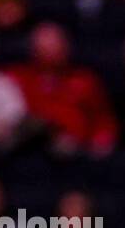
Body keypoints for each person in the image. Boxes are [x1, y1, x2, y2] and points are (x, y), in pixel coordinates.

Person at [7, 22, 118, 157]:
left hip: (79, 154)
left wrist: (101, 141)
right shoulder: (16, 78)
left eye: (55, 45)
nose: (50, 51)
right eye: (43, 46)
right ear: (32, 49)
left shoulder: (85, 80)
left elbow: (103, 120)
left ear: (66, 47)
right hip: (28, 154)